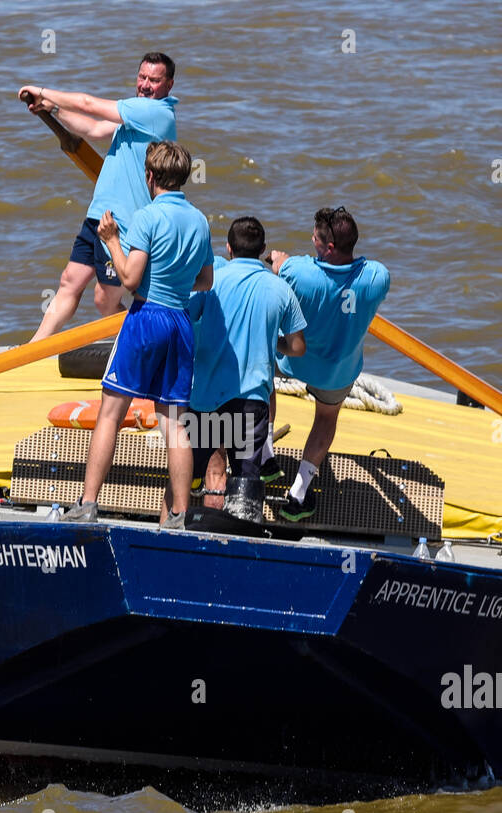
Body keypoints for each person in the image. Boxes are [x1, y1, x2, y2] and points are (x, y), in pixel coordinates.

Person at [62, 141, 213, 529]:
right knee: (175, 424)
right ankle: (179, 515)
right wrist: (173, 280)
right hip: (180, 321)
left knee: (110, 412)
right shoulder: (199, 221)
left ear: (150, 176)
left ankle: (88, 504)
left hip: (146, 318)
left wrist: (111, 239)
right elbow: (206, 280)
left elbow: (129, 279)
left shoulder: (147, 217)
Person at [18, 54, 179, 341]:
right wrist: (53, 109)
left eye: (154, 80)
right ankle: (32, 350)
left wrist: (42, 92)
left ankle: (145, 340)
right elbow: (92, 128)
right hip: (98, 215)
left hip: (124, 225)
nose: (145, 85)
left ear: (169, 85)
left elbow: (88, 104)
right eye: (142, 77)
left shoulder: (156, 114)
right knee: (69, 281)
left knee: (104, 301)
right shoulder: (133, 117)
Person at [268, 206, 390, 521]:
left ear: (329, 247)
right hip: (338, 369)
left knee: (262, 376)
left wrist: (279, 260)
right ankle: (298, 493)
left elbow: (280, 266)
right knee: (325, 418)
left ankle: (265, 455)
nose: (312, 241)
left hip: (292, 358)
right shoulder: (377, 277)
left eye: (316, 239)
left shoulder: (299, 272)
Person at [186, 217, 306, 520]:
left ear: (228, 248)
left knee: (189, 471)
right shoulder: (280, 289)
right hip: (251, 402)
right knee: (245, 483)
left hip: (206, 398)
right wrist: (273, 341)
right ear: (263, 249)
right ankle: (239, 528)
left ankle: (181, 523)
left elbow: (186, 319)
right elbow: (297, 347)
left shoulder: (211, 282)